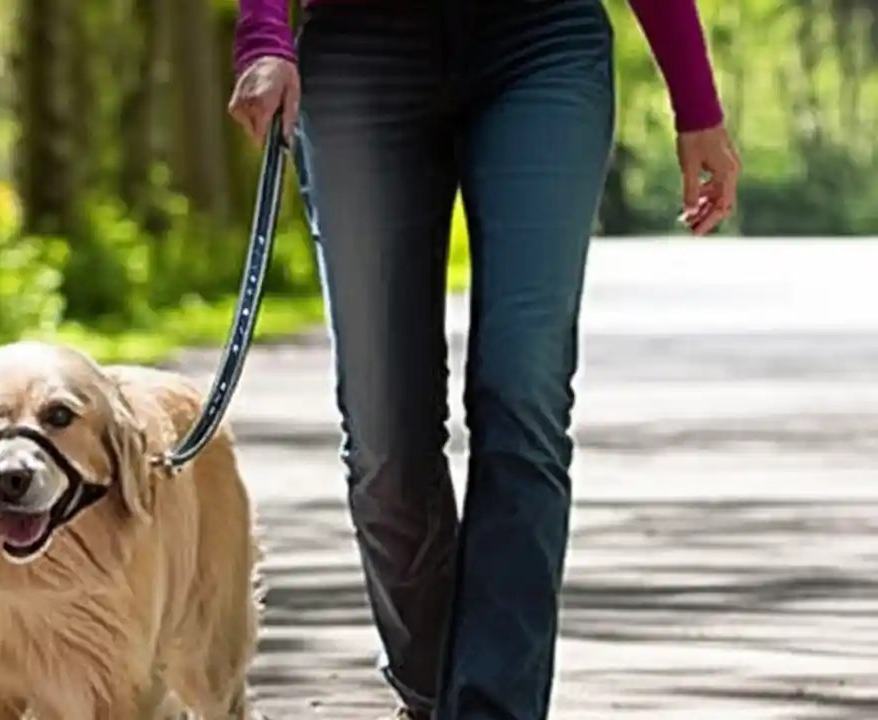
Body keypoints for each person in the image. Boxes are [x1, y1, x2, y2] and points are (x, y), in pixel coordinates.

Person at [227, 1, 740, 719]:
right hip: (358, 49)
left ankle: (493, 706)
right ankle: (431, 685)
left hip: (542, 41)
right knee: (385, 439)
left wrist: (696, 101)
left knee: (522, 395)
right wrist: (263, 34)